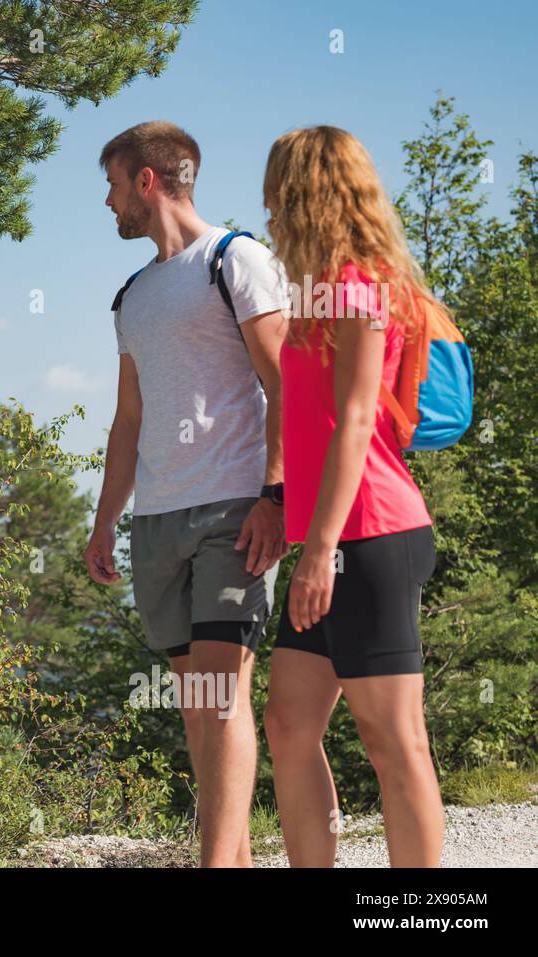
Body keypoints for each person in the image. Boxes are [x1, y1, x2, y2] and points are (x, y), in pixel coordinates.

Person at [85, 121, 290, 867]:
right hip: (158, 518)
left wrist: (277, 495)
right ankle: (230, 859)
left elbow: (283, 382)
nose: (108, 203)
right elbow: (129, 419)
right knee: (198, 706)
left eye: (112, 185)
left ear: (147, 181)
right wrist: (106, 521)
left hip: (235, 506)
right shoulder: (132, 296)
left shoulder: (235, 260)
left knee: (220, 693)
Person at [262, 125, 444, 867]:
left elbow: (358, 420)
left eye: (277, 192)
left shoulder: (360, 286)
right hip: (332, 537)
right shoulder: (319, 294)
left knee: (393, 739)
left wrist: (322, 550)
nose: (269, 209)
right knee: (288, 726)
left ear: (307, 193)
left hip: (368, 536)